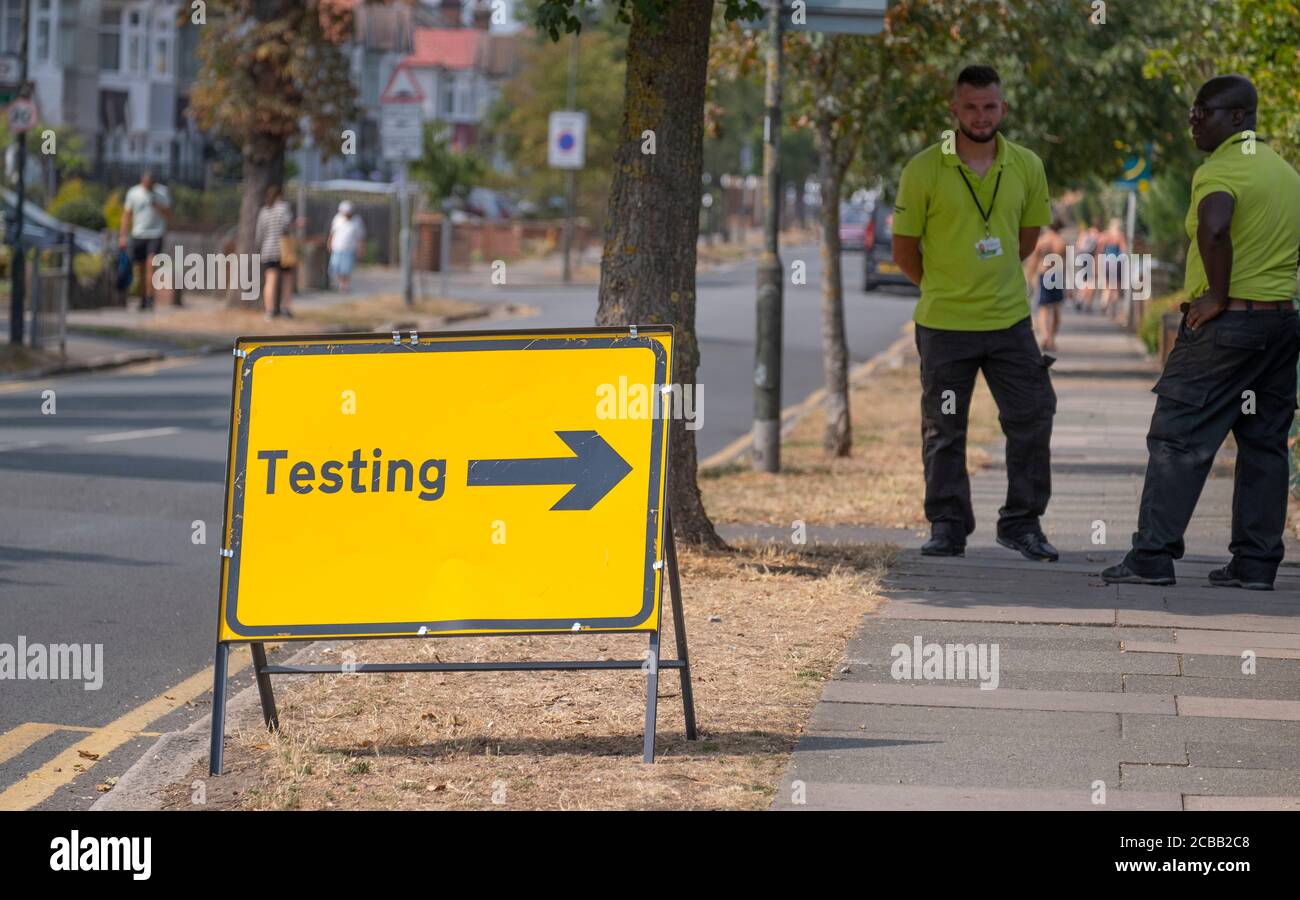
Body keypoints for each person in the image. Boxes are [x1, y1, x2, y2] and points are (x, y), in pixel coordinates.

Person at [1103, 74, 1300, 590]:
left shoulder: (1220, 169)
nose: (1193, 120)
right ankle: (1255, 565)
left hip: (1227, 326)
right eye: (1192, 110)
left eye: (1202, 111)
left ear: (1237, 117)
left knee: (1177, 436)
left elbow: (1215, 227)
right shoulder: (1285, 173)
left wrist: (1216, 294)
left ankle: (1151, 557)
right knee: (1264, 443)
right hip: (1279, 324)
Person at [892, 64, 1058, 561]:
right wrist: (944, 287)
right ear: (954, 109)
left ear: (1002, 108)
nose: (981, 116)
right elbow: (904, 250)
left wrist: (988, 282)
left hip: (1009, 322)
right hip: (944, 326)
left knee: (1032, 416)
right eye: (971, 107)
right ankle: (947, 524)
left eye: (990, 107)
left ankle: (1021, 523)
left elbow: (1026, 241)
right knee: (945, 427)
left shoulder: (1027, 165)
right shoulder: (923, 169)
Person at [119, 170, 173, 311]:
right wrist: (122, 236)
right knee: (140, 268)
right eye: (146, 183)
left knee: (151, 264)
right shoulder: (133, 193)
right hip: (138, 234)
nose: (148, 186)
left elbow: (169, 214)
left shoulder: (162, 192)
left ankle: (150, 298)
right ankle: (142, 299)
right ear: (142, 181)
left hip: (155, 234)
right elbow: (127, 215)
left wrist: (157, 206)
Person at [254, 184, 295, 320]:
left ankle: (269, 311)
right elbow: (286, 225)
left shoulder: (264, 211)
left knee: (270, 281)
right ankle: (285, 309)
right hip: (283, 249)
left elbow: (259, 234)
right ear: (280, 195)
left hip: (267, 249)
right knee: (287, 280)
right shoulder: (284, 207)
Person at [1028, 217, 1068, 351]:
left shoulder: (1042, 240)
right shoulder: (1061, 242)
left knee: (1043, 307)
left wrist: (1029, 277)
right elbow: (1067, 263)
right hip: (1057, 274)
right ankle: (1051, 338)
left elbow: (1033, 261)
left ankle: (1044, 336)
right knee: (1056, 308)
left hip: (1044, 274)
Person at [328, 201, 365, 291]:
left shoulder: (357, 220)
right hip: (337, 248)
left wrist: (361, 249)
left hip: (349, 249)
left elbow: (360, 236)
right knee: (335, 267)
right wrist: (329, 243)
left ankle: (344, 286)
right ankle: (338, 284)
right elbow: (332, 232)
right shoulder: (337, 218)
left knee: (346, 269)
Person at [1097, 218, 1128, 314]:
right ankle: (1113, 308)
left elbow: (1100, 248)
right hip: (1116, 262)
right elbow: (1124, 250)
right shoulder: (1120, 236)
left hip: (1106, 261)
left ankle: (1104, 302)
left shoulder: (1106, 234)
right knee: (1115, 287)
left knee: (1107, 285)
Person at [1073, 221, 1100, 312]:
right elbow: (1098, 250)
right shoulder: (1096, 234)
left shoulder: (1084, 234)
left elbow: (1078, 246)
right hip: (1090, 259)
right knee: (1089, 283)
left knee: (1086, 281)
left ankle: (1083, 300)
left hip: (1082, 258)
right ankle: (1082, 300)